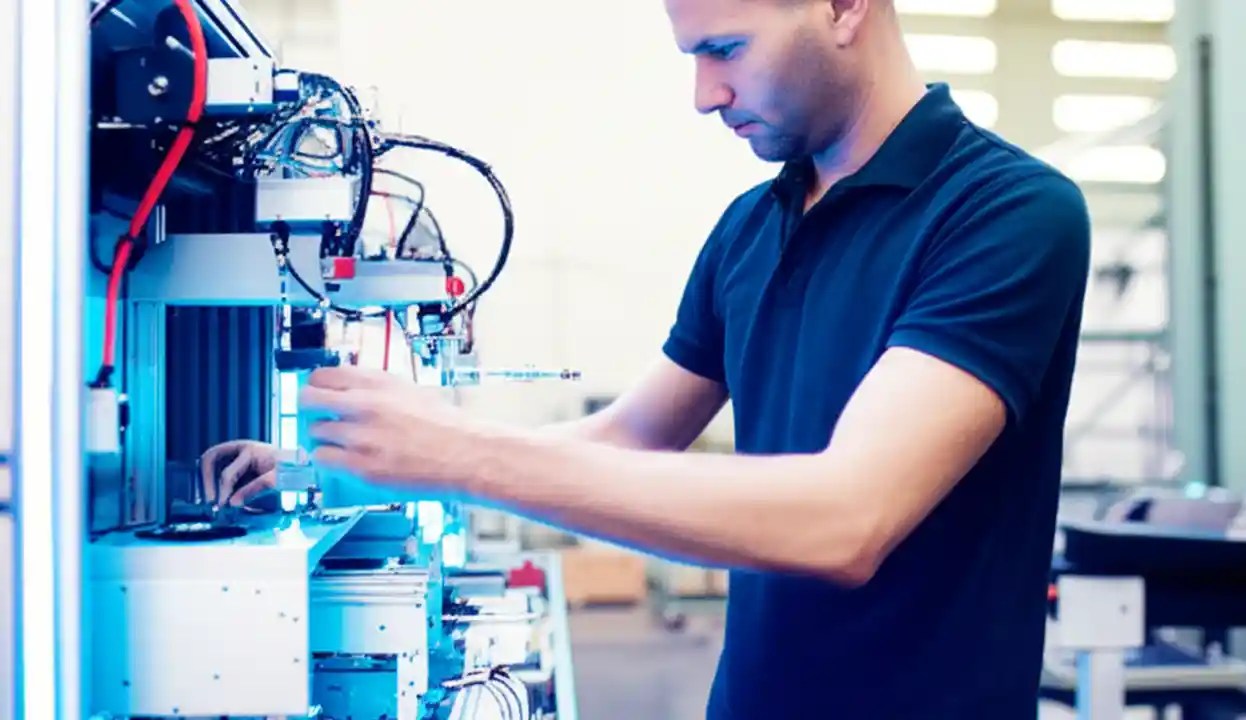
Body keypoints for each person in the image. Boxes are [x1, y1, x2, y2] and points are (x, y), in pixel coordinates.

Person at [204, 0, 1091, 716]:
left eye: (727, 49)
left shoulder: (1007, 213)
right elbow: (630, 438)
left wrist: (457, 453)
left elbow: (846, 518)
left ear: (844, 6)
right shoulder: (752, 227)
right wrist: (353, 463)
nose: (705, 94)